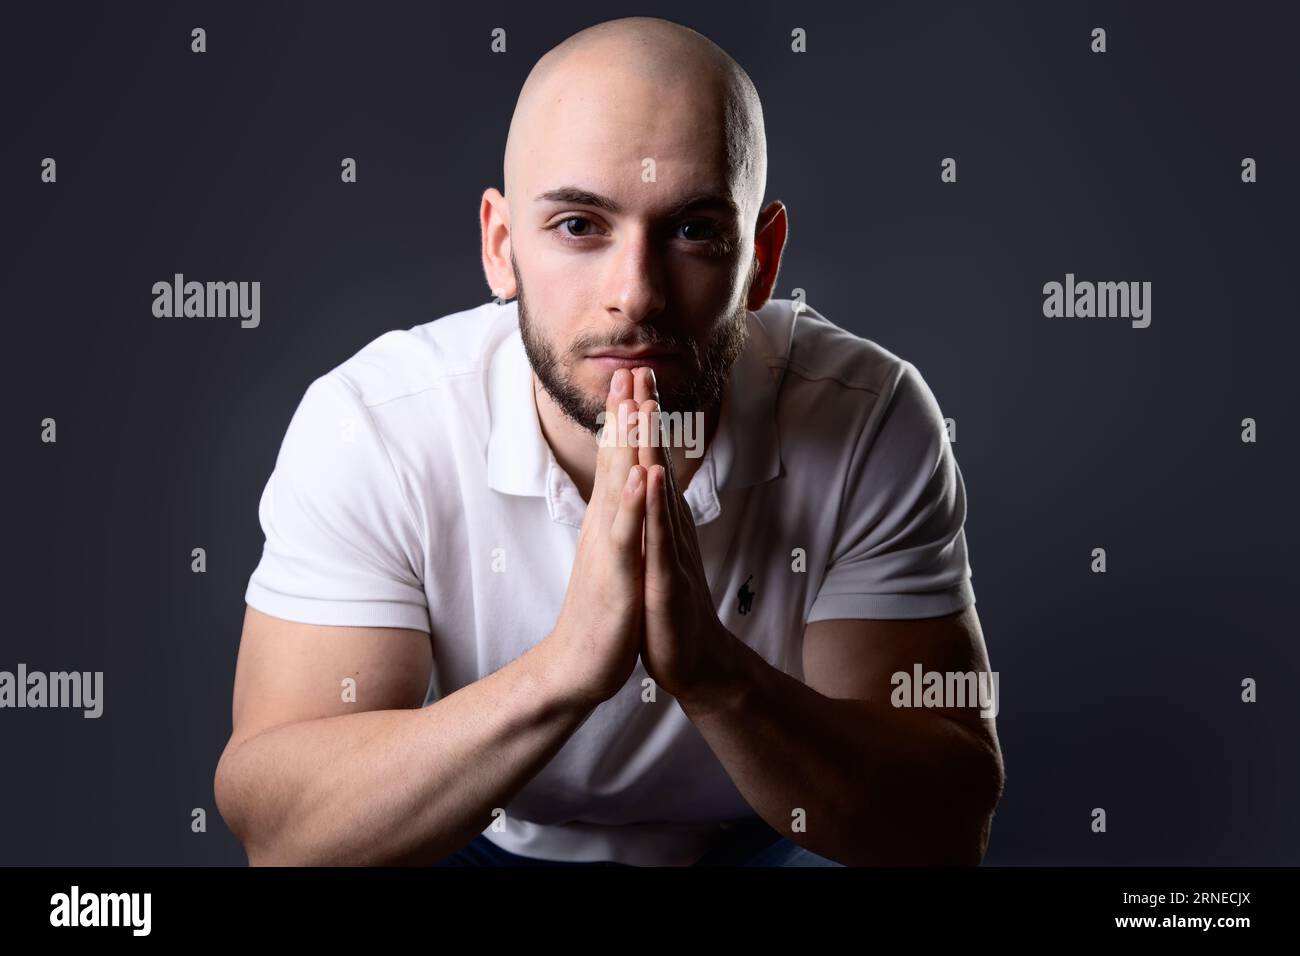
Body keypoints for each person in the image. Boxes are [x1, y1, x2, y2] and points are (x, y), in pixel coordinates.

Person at [214, 15, 1004, 867]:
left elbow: (948, 820)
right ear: (501, 247)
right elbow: (284, 835)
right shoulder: (375, 424)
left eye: (694, 230)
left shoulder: (867, 414)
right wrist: (563, 671)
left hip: (774, 838)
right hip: (469, 836)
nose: (636, 295)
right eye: (580, 227)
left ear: (761, 262)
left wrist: (715, 676)